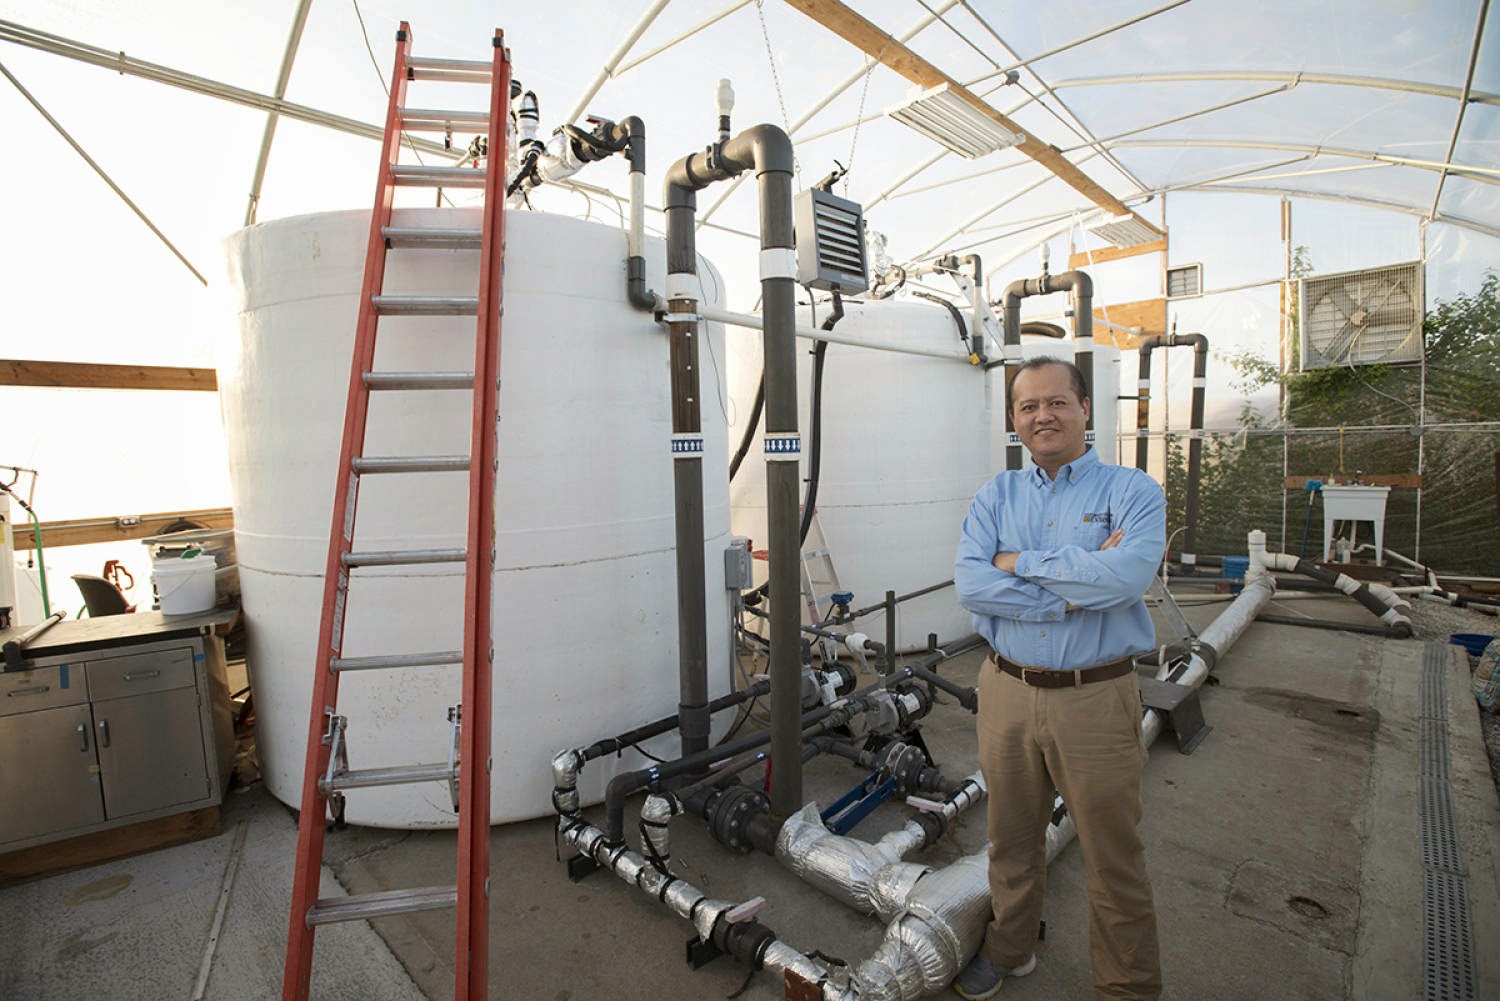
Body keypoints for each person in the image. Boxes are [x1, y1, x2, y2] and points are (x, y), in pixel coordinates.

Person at [951, 356, 1165, 1001]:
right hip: (1007, 692)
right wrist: (1073, 587)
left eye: (1056, 403)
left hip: (1094, 696)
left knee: (1111, 854)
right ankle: (1010, 948)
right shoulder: (996, 495)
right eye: (1027, 407)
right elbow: (971, 585)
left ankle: (1127, 987)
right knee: (1010, 840)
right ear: (1014, 419)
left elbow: (1126, 578)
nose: (1042, 416)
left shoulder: (1132, 491)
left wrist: (1018, 563)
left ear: (1084, 410)